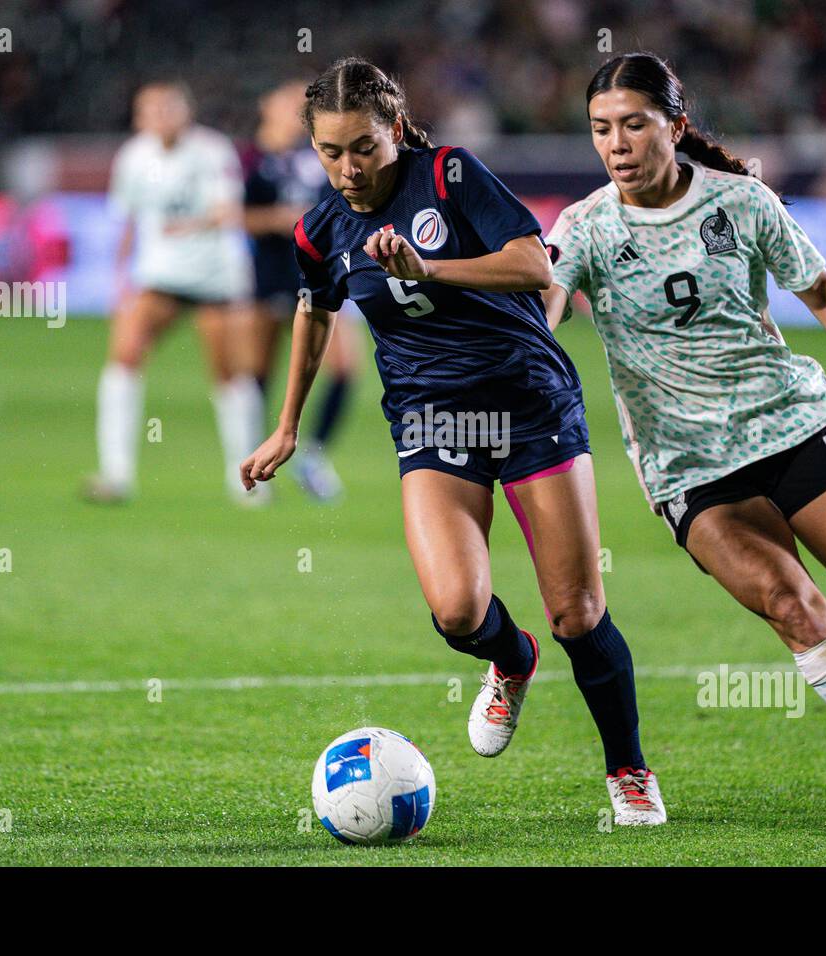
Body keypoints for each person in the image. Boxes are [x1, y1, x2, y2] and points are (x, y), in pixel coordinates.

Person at [543, 52, 826, 824]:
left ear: (675, 126)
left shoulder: (743, 203)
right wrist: (528, 347)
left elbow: (821, 292)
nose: (616, 144)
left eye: (633, 125)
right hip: (687, 469)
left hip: (789, 429)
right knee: (795, 609)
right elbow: (546, 303)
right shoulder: (586, 228)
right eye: (600, 130)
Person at [242, 57, 665, 824]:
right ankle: (512, 660)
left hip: (529, 403)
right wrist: (287, 425)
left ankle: (628, 770)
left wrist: (428, 266)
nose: (348, 168)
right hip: (433, 419)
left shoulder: (449, 176)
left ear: (395, 131)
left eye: (363, 147)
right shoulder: (321, 229)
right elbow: (314, 312)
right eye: (330, 152)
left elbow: (536, 266)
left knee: (577, 612)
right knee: (458, 611)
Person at [85, 80, 263, 504]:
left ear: (187, 111)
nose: (161, 116)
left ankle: (248, 481)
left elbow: (227, 210)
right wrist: (120, 280)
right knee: (123, 358)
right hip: (160, 277)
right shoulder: (132, 156)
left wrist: (191, 226)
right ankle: (116, 475)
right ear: (139, 117)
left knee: (229, 375)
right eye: (152, 109)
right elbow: (127, 221)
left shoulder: (213, 151)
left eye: (169, 108)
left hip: (216, 278)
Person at [243, 79, 361, 501]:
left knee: (346, 369)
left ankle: (313, 456)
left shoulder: (318, 153)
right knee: (260, 373)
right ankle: (254, 461)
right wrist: (279, 219)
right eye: (288, 100)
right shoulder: (248, 158)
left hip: (322, 276)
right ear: (266, 105)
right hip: (270, 273)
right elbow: (229, 214)